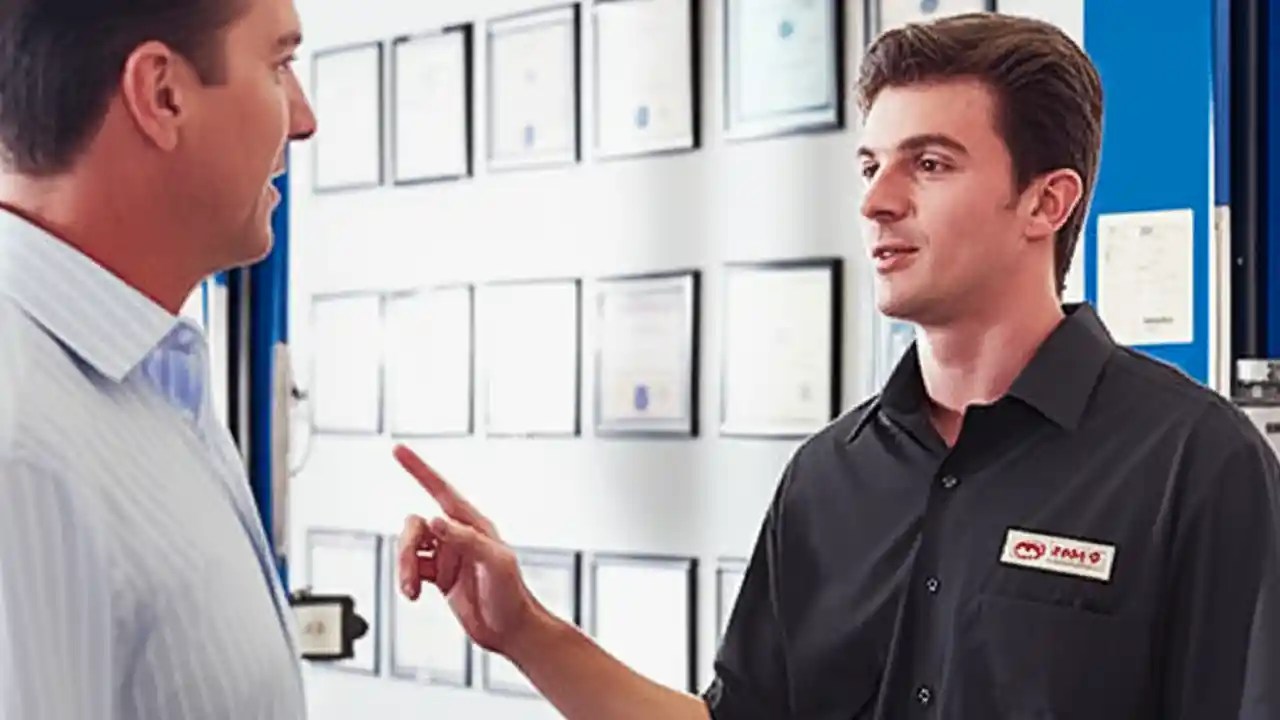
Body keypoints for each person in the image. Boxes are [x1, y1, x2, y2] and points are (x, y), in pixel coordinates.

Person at [395, 12, 1280, 719]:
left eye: (928, 163)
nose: (877, 200)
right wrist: (526, 631)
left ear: (1046, 201)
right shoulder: (828, 477)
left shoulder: (1195, 466)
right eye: (870, 163)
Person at [0, 0, 316, 717]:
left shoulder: (157, 378)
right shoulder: (20, 444)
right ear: (162, 95)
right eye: (279, 66)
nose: (303, 118)